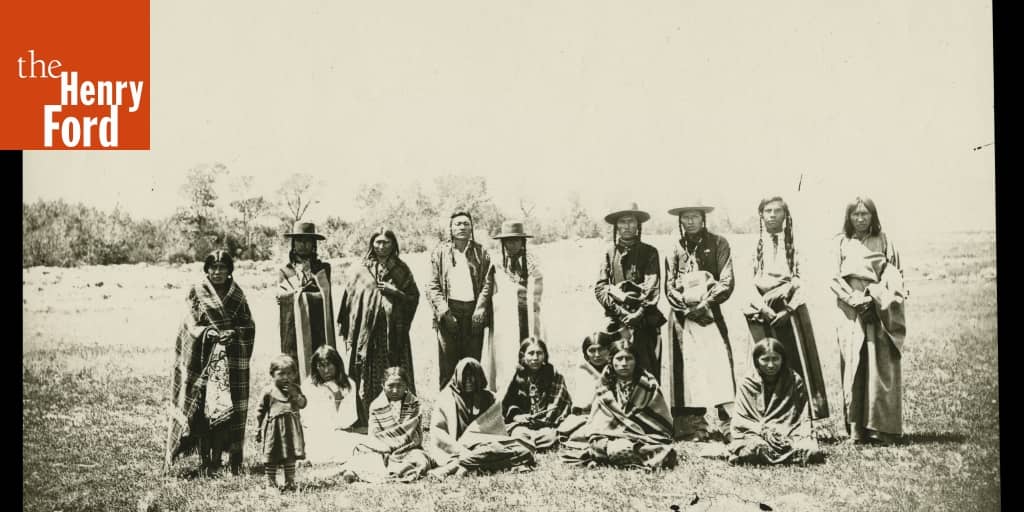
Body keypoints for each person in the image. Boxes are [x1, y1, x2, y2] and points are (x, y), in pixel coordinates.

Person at [164, 250, 256, 476]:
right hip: (202, 362)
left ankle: (221, 458)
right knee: (202, 410)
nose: (217, 272)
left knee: (226, 410)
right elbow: (189, 326)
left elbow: (248, 326)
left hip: (229, 361)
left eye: (222, 268)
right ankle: (205, 459)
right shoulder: (197, 292)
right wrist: (208, 334)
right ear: (207, 270)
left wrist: (233, 334)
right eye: (213, 268)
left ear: (229, 271)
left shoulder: (237, 295)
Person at [743, 196, 830, 422]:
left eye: (778, 211)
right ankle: (767, 416)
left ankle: (802, 416)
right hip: (762, 310)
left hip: (790, 310)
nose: (772, 215)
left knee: (796, 360)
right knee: (765, 361)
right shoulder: (754, 244)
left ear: (786, 215)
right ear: (761, 215)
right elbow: (747, 281)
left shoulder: (795, 244)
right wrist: (762, 308)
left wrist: (789, 310)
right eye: (767, 211)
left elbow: (805, 279)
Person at [829, 197, 907, 445]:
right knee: (854, 363)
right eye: (855, 214)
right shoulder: (840, 242)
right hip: (850, 310)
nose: (860, 219)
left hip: (878, 308)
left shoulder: (884, 240)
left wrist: (876, 297)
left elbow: (895, 273)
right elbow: (833, 278)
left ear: (873, 216)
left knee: (879, 365)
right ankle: (856, 430)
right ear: (848, 217)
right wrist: (854, 299)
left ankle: (880, 429)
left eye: (865, 214)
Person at [664, 201, 736, 442]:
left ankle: (729, 422)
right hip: (683, 318)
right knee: (686, 369)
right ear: (680, 220)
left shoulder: (718, 243)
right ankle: (692, 425)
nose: (690, 221)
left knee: (720, 365)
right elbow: (669, 285)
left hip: (710, 314)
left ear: (703, 218)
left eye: (695, 216)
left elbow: (726, 281)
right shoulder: (674, 248)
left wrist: (705, 305)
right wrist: (685, 309)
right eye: (686, 217)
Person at [337, 228, 420, 425]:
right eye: (377, 242)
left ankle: (399, 415)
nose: (381, 246)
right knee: (367, 374)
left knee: (395, 372)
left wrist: (395, 292)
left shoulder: (401, 269)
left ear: (393, 245)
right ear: (371, 244)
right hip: (368, 338)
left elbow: (413, 297)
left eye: (386, 242)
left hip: (394, 336)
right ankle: (366, 416)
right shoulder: (361, 269)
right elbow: (349, 300)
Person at [561, 339, 678, 469]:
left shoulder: (648, 384)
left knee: (647, 448)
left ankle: (611, 458)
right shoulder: (604, 385)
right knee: (599, 445)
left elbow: (659, 421)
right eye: (619, 359)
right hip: (610, 436)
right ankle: (630, 458)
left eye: (628, 359)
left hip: (643, 436)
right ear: (611, 361)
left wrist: (630, 434)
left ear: (636, 361)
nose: (623, 364)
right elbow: (599, 420)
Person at [426, 358, 536, 477]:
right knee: (494, 452)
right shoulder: (447, 399)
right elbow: (439, 433)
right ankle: (462, 466)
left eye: (472, 375)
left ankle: (463, 466)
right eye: (464, 375)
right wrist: (459, 450)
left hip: (488, 445)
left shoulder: (489, 398)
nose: (468, 380)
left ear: (479, 376)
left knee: (524, 452)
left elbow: (497, 429)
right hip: (461, 448)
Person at [594, 202, 666, 381]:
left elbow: (652, 287)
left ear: (638, 225)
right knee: (616, 365)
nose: (627, 226)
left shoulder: (649, 252)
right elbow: (601, 287)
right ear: (616, 226)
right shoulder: (609, 253)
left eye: (631, 221)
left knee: (646, 367)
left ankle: (648, 407)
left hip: (644, 320)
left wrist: (638, 313)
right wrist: (620, 312)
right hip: (617, 319)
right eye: (622, 222)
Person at [426, 211, 496, 389]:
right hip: (449, 312)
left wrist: (480, 309)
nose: (462, 227)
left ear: (472, 227)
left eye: (466, 223)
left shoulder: (481, 252)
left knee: (472, 363)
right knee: (448, 365)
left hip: (474, 313)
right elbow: (432, 285)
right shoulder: (440, 253)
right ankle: (448, 410)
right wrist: (444, 312)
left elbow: (488, 282)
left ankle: (473, 408)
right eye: (458, 224)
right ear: (450, 228)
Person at [728, 338, 825, 465]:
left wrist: (794, 435)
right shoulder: (747, 383)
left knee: (811, 451)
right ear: (756, 360)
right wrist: (764, 431)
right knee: (756, 449)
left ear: (783, 359)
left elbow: (803, 416)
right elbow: (740, 419)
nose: (770, 365)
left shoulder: (794, 380)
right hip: (755, 434)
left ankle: (755, 457)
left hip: (789, 433)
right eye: (765, 359)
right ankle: (778, 457)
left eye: (775, 359)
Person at [340, 367, 432, 483]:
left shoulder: (414, 404)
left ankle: (396, 472)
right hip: (381, 449)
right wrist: (385, 447)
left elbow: (410, 431)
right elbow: (374, 436)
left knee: (421, 459)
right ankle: (353, 472)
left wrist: (392, 444)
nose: (395, 390)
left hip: (408, 448)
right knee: (367, 455)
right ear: (383, 385)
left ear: (406, 386)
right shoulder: (376, 406)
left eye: (399, 386)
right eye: (390, 386)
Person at [483, 220, 545, 392]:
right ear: (503, 243)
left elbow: (538, 291)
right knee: (506, 357)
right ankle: (507, 395)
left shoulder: (533, 264)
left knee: (531, 351)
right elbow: (492, 290)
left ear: (522, 242)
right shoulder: (497, 265)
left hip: (529, 319)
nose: (512, 244)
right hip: (506, 322)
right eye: (508, 241)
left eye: (516, 240)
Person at [277, 221, 337, 380]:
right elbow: (283, 299)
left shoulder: (324, 269)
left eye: (307, 241)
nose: (303, 245)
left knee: (321, 363)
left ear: (313, 244)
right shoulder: (285, 271)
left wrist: (303, 293)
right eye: (299, 241)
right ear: (293, 244)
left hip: (320, 327)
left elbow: (324, 298)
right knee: (294, 364)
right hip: (294, 329)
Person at [501, 338, 573, 451]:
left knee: (550, 437)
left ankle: (527, 445)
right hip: (520, 425)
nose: (535, 358)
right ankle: (526, 443)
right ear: (522, 355)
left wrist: (544, 420)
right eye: (531, 353)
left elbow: (558, 404)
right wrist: (517, 416)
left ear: (545, 355)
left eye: (539, 353)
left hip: (546, 425)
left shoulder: (554, 375)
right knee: (519, 434)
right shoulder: (514, 376)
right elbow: (504, 404)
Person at [301, 345, 365, 464]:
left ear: (337, 364)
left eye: (329, 365)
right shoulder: (308, 386)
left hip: (340, 432)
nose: (326, 371)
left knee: (360, 443)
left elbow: (346, 422)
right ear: (316, 367)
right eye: (321, 366)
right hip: (317, 434)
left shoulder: (348, 384)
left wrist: (338, 399)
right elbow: (307, 420)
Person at [255, 354, 308, 491]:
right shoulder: (269, 391)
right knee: (271, 456)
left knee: (290, 456)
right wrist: (258, 428)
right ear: (272, 374)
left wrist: (295, 395)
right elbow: (260, 411)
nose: (286, 377)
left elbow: (303, 404)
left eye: (290, 373)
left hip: (291, 430)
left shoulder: (295, 389)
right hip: (274, 430)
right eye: (281, 374)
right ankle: (270, 483)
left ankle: (290, 482)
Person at [556, 330, 617, 440]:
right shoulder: (583, 371)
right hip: (587, 416)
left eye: (601, 349)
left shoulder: (616, 368)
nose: (597, 355)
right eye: (592, 351)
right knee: (579, 435)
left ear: (609, 350)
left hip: (614, 415)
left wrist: (590, 370)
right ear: (586, 354)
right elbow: (584, 404)